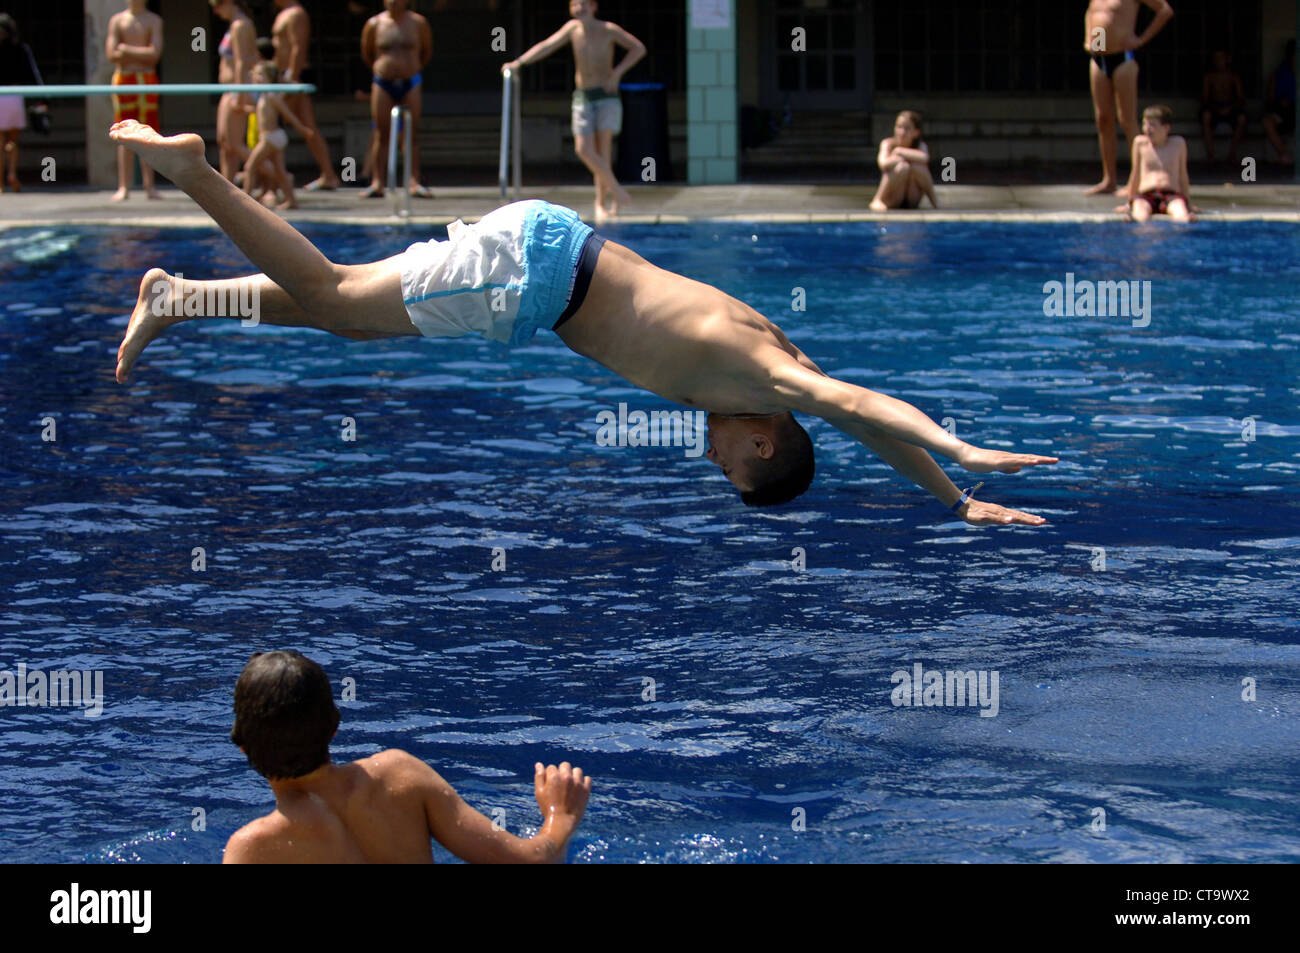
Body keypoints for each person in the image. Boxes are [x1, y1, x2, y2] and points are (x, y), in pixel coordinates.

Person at [109, 121, 1058, 525]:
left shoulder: (772, 369)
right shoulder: (763, 381)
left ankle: (180, 298)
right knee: (334, 300)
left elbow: (859, 424)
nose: (711, 456)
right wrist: (963, 449)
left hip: (545, 266)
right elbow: (859, 402)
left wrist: (950, 501)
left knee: (346, 314)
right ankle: (197, 172)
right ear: (765, 439)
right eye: (731, 464)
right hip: (531, 278)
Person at [223, 651, 592, 863]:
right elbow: (530, 861)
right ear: (334, 728)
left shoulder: (252, 847)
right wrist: (561, 816)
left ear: (243, 747)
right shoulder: (401, 776)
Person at [502, 0, 645, 225]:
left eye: (584, 4)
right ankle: (617, 191)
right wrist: (519, 62)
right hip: (583, 95)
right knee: (584, 149)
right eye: (575, 5)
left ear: (595, 6)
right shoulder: (572, 29)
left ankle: (602, 204)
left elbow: (638, 48)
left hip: (606, 95)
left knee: (603, 151)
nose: (580, 9)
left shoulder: (608, 29)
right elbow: (547, 45)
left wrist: (617, 73)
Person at [1083, 0, 1174, 196]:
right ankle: (1109, 179)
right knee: (1103, 120)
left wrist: (1140, 39)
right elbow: (1092, 14)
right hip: (1099, 58)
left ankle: (1139, 179)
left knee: (1127, 119)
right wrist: (1088, 37)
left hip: (1122, 57)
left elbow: (1165, 11)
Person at [360, 0, 433, 198]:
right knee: (381, 133)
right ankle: (377, 182)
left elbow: (426, 51)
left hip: (411, 81)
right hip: (383, 82)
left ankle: (413, 180)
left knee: (411, 133)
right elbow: (367, 53)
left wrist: (410, 67)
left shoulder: (418, 23)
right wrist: (385, 68)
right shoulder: (374, 24)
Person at [272, 0, 340, 191]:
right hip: (283, 76)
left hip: (292, 78)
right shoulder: (283, 13)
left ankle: (273, 182)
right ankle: (329, 175)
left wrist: (291, 80)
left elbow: (298, 47)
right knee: (307, 127)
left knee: (272, 124)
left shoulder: (296, 14)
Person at [106, 0, 163, 202]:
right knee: (123, 131)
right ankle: (124, 187)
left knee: (148, 131)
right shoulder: (117, 20)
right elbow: (111, 54)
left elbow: (154, 54)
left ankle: (150, 186)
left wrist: (125, 50)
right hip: (124, 79)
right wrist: (141, 52)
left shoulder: (153, 20)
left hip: (146, 79)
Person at [243, 62, 316, 211]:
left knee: (250, 167)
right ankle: (292, 201)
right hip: (272, 138)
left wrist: (302, 130)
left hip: (271, 137)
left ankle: (244, 203)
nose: (256, 78)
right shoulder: (263, 95)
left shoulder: (272, 96)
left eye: (260, 75)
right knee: (280, 172)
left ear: (269, 78)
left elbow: (288, 115)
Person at [210, 0, 258, 183]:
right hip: (229, 89)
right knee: (225, 143)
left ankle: (280, 177)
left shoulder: (241, 25)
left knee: (235, 143)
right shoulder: (234, 25)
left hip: (237, 88)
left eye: (217, 5)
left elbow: (242, 62)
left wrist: (240, 94)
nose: (216, 11)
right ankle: (227, 187)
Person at [1121, 104, 1195, 223]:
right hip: (1146, 194)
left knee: (1180, 212)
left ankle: (1185, 222)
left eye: (1152, 125)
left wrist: (1189, 204)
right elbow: (1135, 174)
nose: (1147, 128)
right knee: (1140, 212)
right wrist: (1128, 203)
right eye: (1145, 124)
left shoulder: (1178, 144)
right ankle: (1136, 220)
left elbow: (1183, 175)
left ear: (1166, 128)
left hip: (1171, 194)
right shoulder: (1140, 143)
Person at [0, 13, 46, 194]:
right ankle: (12, 173)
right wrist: (42, 99)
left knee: (0, 140)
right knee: (13, 140)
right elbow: (33, 74)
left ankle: (0, 183)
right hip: (14, 95)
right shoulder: (20, 48)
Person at [869, 110, 937, 211]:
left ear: (916, 133)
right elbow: (883, 163)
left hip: (911, 197)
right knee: (903, 167)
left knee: (918, 167)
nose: (902, 132)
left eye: (907, 128)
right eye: (899, 127)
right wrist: (897, 158)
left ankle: (935, 201)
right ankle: (878, 199)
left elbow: (924, 158)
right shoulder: (888, 144)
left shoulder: (920, 146)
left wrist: (900, 152)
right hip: (893, 197)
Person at [1199, 50, 1246, 165]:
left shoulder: (1233, 76)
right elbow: (1205, 98)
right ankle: (1211, 154)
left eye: (1221, 58)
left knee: (1242, 119)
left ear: (1227, 59)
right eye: (1216, 59)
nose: (1218, 61)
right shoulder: (1209, 77)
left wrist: (1230, 108)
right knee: (1206, 116)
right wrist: (1216, 108)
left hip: (1231, 107)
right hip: (1214, 107)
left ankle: (1232, 154)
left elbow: (1241, 98)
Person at [1262, 40, 1296, 166]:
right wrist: (1281, 102)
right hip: (1285, 113)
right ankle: (1284, 155)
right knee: (1267, 121)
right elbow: (1270, 100)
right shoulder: (1279, 74)